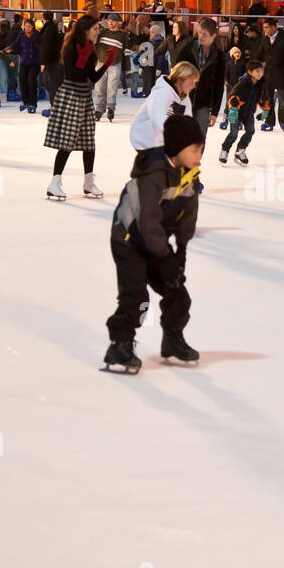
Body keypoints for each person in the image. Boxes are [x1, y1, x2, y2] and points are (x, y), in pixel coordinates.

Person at [104, 112, 205, 373]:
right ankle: (120, 345)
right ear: (178, 147)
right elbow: (148, 222)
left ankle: (172, 339)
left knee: (178, 293)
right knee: (137, 298)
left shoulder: (189, 175)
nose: (199, 156)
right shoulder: (154, 174)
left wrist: (181, 249)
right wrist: (164, 258)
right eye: (195, 149)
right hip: (129, 239)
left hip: (156, 242)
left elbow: (188, 215)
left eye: (201, 150)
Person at [44, 16, 116, 200]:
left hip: (84, 97)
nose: (98, 32)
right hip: (71, 96)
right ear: (85, 30)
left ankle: (88, 182)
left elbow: (91, 78)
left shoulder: (90, 50)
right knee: (67, 142)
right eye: (95, 29)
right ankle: (54, 183)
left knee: (88, 142)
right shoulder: (70, 47)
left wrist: (107, 63)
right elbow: (73, 75)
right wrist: (82, 58)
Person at [130, 60, 199, 156]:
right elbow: (156, 112)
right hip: (143, 138)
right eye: (191, 81)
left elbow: (187, 120)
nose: (194, 86)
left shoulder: (184, 97)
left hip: (161, 141)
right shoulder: (162, 91)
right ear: (180, 79)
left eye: (195, 82)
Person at [219, 57, 265, 165]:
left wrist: (266, 110)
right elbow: (232, 96)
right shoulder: (243, 83)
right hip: (237, 111)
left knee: (250, 130)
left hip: (248, 112)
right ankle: (224, 150)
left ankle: (240, 151)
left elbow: (264, 98)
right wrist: (233, 109)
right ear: (249, 72)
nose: (259, 74)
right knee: (234, 133)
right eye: (257, 71)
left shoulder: (260, 83)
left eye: (261, 71)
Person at [255, 17, 284, 131]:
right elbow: (259, 54)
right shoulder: (265, 39)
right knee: (268, 100)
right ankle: (269, 121)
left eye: (267, 27)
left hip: (281, 74)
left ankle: (283, 120)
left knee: (283, 100)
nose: (265, 30)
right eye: (264, 28)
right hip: (268, 75)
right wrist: (252, 65)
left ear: (273, 27)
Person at [192, 17, 226, 137]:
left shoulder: (219, 56)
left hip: (204, 103)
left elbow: (219, 85)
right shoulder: (189, 49)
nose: (201, 36)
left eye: (205, 33)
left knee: (199, 140)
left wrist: (215, 112)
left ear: (213, 36)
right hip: (186, 100)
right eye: (200, 32)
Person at [93, 12, 128, 122]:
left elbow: (125, 52)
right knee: (99, 87)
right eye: (109, 21)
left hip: (115, 64)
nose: (110, 23)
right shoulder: (102, 32)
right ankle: (99, 109)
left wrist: (127, 67)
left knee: (111, 88)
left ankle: (111, 109)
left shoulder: (123, 36)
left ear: (117, 23)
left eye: (113, 21)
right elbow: (96, 46)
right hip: (101, 62)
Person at [6, 16, 41, 112]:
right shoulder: (21, 34)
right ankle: (25, 102)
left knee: (31, 81)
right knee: (22, 81)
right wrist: (10, 48)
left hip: (35, 62)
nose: (27, 28)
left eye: (29, 26)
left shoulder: (37, 35)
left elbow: (41, 47)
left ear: (33, 27)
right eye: (26, 26)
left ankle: (33, 104)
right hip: (24, 61)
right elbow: (16, 43)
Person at [38, 10, 64, 117]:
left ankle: (55, 107)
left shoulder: (49, 29)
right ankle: (56, 106)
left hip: (52, 60)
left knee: (52, 84)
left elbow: (46, 46)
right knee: (52, 83)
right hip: (54, 59)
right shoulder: (51, 27)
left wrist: (43, 61)